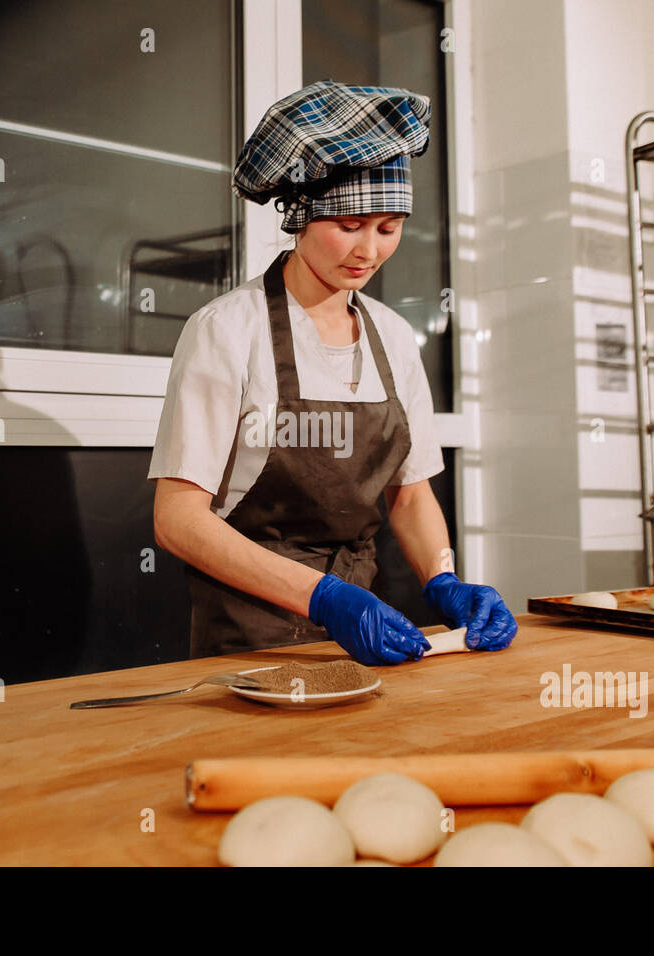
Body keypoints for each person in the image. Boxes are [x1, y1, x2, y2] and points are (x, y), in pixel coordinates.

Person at [148, 80, 517, 665]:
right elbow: (177, 520)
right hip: (250, 637)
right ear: (300, 215)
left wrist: (444, 579)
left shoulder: (393, 337)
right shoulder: (226, 329)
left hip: (368, 630)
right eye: (349, 225)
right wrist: (321, 597)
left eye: (388, 227)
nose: (368, 250)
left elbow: (411, 492)